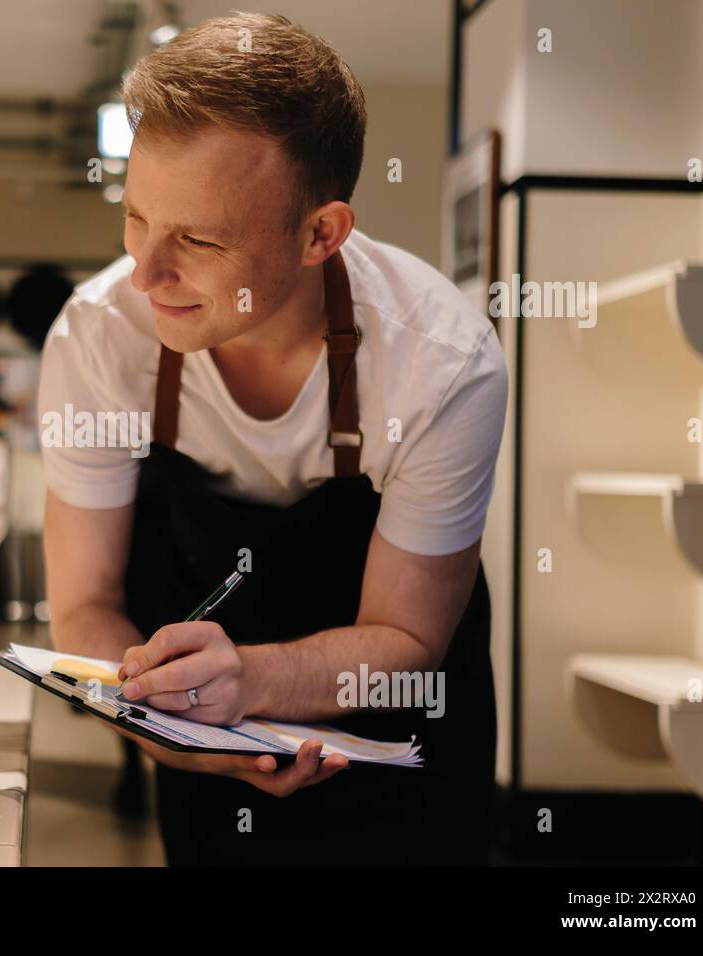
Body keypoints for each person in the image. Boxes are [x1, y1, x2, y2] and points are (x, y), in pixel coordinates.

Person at [38, 13, 509, 865]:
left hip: (400, 740)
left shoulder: (442, 363)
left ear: (320, 234)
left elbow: (407, 640)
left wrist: (249, 679)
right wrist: (162, 727)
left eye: (200, 238)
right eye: (138, 217)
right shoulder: (98, 338)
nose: (145, 273)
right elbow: (83, 607)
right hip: (199, 734)